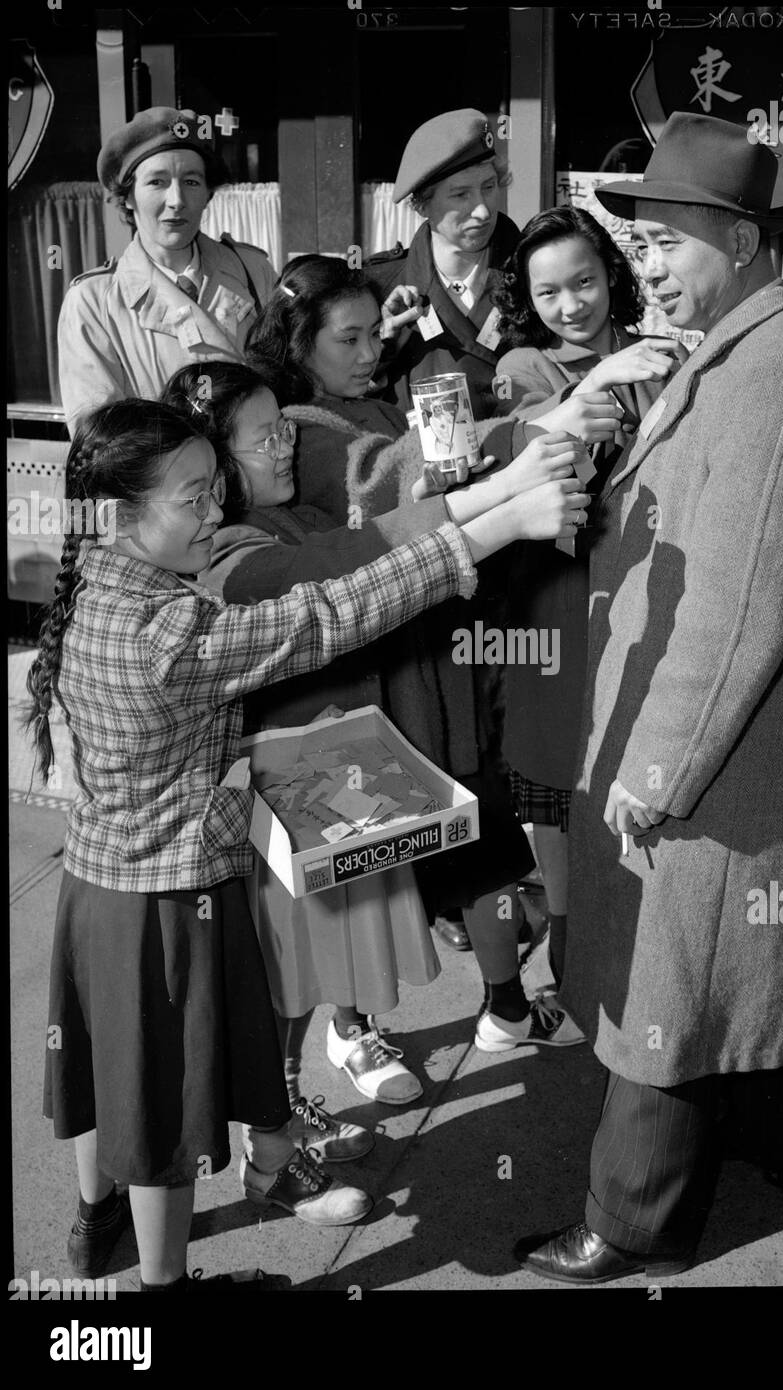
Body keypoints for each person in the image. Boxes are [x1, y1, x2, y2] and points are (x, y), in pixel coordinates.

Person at [22, 397, 525, 1289]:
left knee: (110, 1074)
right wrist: (481, 535)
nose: (216, 513)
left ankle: (92, 1223)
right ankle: (164, 1290)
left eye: (215, 489)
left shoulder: (94, 588)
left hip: (96, 890)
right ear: (119, 513)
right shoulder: (169, 632)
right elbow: (324, 616)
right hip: (167, 910)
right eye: (191, 498)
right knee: (165, 1119)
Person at [514, 112, 783, 1283]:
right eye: (641, 241)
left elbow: (735, 606)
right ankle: (781, 1144)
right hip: (732, 746)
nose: (643, 266)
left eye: (666, 241)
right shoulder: (734, 345)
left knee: (673, 977)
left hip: (711, 750)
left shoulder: (779, 367)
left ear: (743, 238)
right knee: (740, 962)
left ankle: (628, 1219)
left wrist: (655, 770)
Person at [162, 358, 591, 1112]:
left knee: (359, 933)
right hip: (300, 785)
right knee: (298, 965)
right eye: (265, 440)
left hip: (355, 766)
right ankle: (281, 1115)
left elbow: (364, 547)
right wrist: (496, 506)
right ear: (214, 466)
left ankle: (304, 1102)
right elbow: (346, 572)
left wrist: (450, 507)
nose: (286, 447)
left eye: (284, 430)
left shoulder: (306, 513)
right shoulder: (225, 554)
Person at [246, 260, 613, 1063]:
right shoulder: (304, 431)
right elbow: (389, 486)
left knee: (464, 836)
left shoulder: (371, 399)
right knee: (348, 882)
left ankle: (499, 1004)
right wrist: (538, 427)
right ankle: (343, 1038)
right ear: (297, 343)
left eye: (376, 332)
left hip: (424, 665)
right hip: (358, 687)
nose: (370, 349)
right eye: (349, 337)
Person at [493, 206, 681, 990]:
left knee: (636, 759)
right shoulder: (527, 369)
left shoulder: (664, 352)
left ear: (612, 276)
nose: (571, 306)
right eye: (548, 294)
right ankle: (569, 940)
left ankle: (638, 932)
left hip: (650, 585)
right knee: (556, 780)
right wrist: (599, 389)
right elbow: (530, 444)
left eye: (584, 282)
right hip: (559, 600)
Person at [57, 107, 276, 434]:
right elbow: (104, 443)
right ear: (128, 197)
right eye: (157, 182)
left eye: (191, 181)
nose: (176, 200)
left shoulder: (252, 270)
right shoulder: (93, 304)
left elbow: (288, 379)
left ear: (208, 194)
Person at [366, 108, 519, 422]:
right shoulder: (378, 291)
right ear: (422, 204)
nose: (482, 211)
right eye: (461, 194)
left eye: (489, 187)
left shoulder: (538, 276)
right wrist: (379, 351)